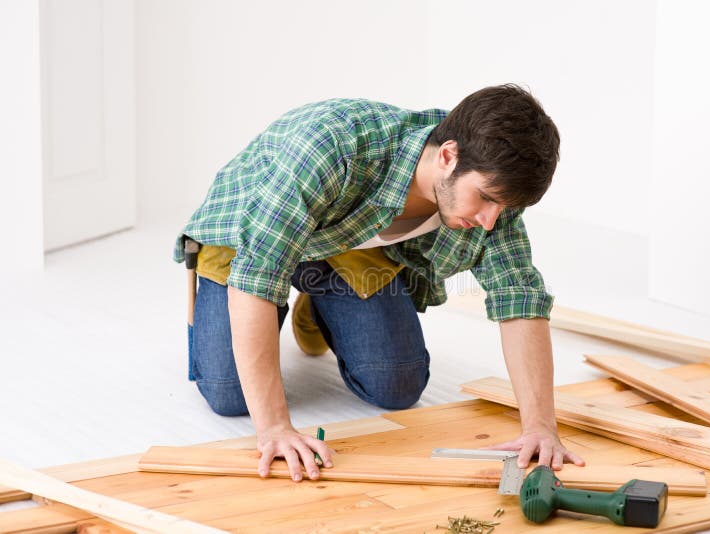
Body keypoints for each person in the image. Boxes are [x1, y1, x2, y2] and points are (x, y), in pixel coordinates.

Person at [173, 84, 585, 483]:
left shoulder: (492, 187)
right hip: (246, 240)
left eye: (502, 206)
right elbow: (257, 275)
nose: (490, 220)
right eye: (485, 199)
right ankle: (299, 289)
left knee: (397, 385)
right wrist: (276, 428)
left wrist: (540, 428)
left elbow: (519, 296)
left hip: (345, 245)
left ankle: (317, 302)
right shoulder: (331, 146)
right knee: (230, 397)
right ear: (447, 156)